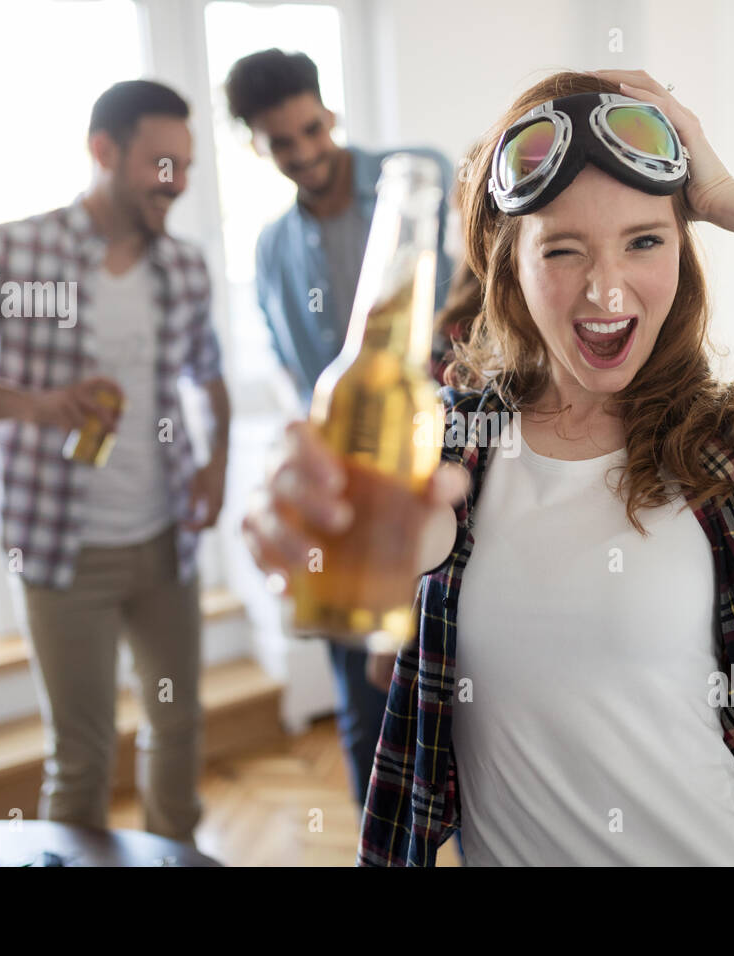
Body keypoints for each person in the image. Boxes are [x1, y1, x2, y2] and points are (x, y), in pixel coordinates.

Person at [242, 69, 734, 866]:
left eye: (644, 241)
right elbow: (395, 538)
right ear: (509, 267)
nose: (607, 289)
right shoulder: (452, 450)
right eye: (562, 249)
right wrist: (320, 529)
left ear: (682, 249)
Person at [0, 80, 229, 847]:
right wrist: (33, 405)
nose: (175, 183)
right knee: (81, 754)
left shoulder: (184, 268)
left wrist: (213, 465)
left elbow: (209, 379)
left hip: (164, 543)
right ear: (103, 151)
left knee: (178, 730)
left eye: (185, 165)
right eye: (159, 164)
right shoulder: (12, 255)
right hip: (57, 549)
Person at [224, 48, 457, 814]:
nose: (305, 153)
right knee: (360, 702)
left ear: (330, 114)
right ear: (259, 146)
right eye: (282, 142)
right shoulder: (270, 246)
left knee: (448, 687)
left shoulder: (408, 177)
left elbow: (483, 278)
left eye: (312, 129)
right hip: (341, 482)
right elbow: (295, 370)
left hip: (436, 456)